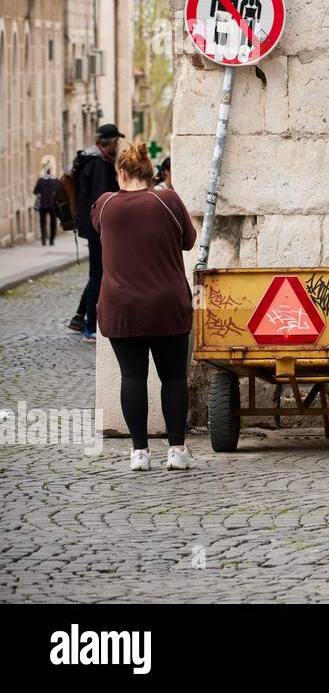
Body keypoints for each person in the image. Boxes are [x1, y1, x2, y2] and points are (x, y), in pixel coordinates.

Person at [91, 141, 198, 471]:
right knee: (174, 378)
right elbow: (189, 240)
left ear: (121, 173)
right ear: (150, 173)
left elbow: (97, 228)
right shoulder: (166, 200)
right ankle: (177, 450)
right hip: (167, 304)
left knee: (132, 376)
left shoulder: (105, 205)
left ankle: (139, 452)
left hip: (122, 306)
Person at [69, 123, 123, 340]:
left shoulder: (88, 158)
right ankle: (90, 326)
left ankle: (79, 317)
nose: (117, 145)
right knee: (98, 276)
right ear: (110, 142)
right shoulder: (99, 163)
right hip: (97, 229)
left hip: (89, 225)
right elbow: (103, 200)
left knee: (96, 273)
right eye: (116, 141)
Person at [33, 163, 61, 245]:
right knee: (53, 223)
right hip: (53, 205)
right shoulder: (55, 180)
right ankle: (52, 240)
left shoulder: (40, 180)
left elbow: (35, 192)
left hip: (43, 204)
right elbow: (60, 192)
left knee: (43, 222)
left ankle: (43, 240)